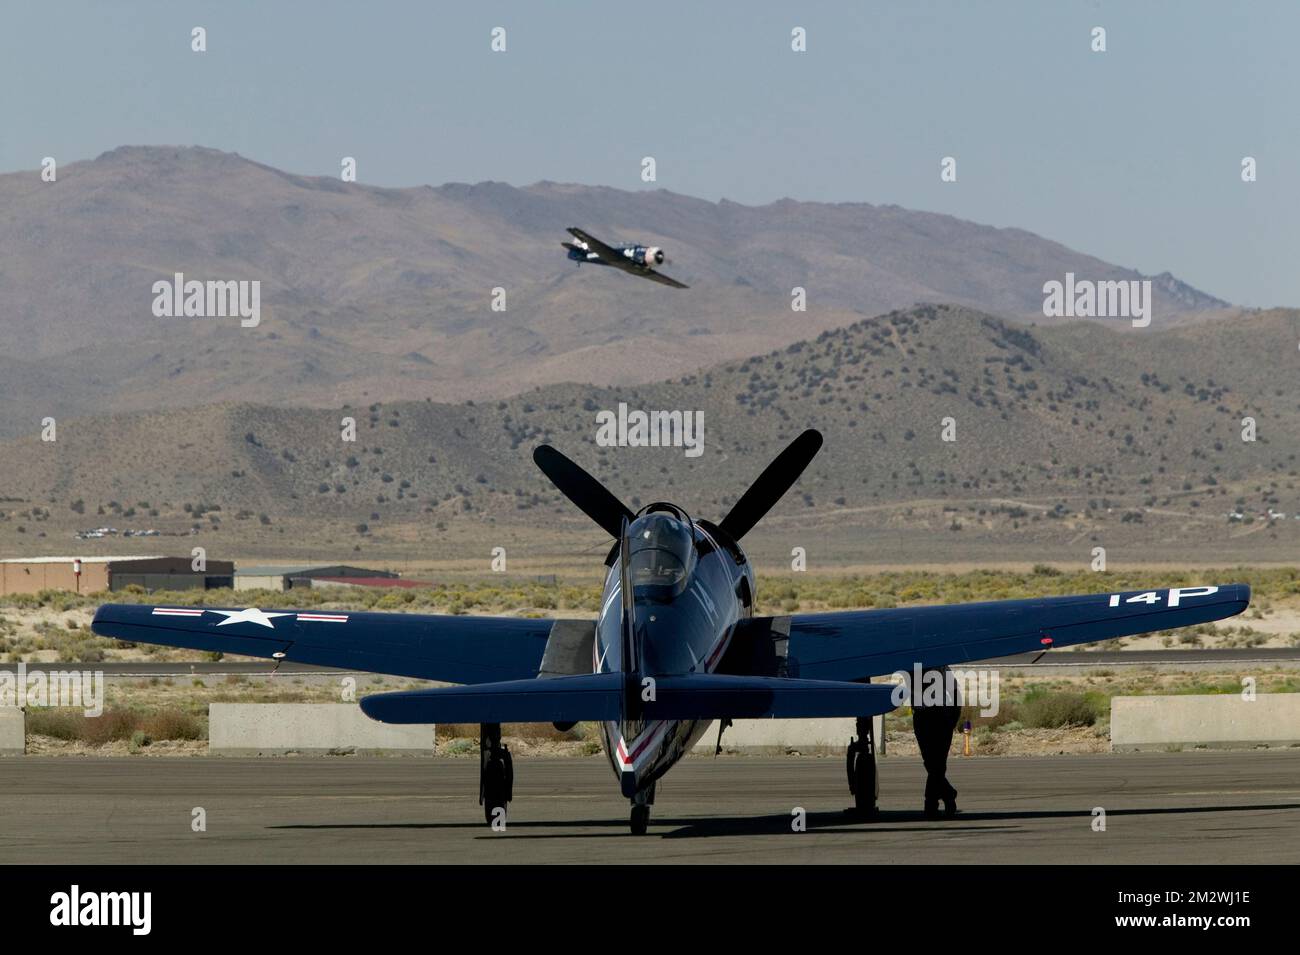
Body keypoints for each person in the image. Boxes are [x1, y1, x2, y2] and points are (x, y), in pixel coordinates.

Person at [910, 667, 961, 818]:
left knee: (937, 762)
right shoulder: (912, 668)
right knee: (931, 762)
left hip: (939, 714)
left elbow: (954, 691)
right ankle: (947, 794)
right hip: (922, 715)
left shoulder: (941, 667)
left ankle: (931, 802)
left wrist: (953, 715)